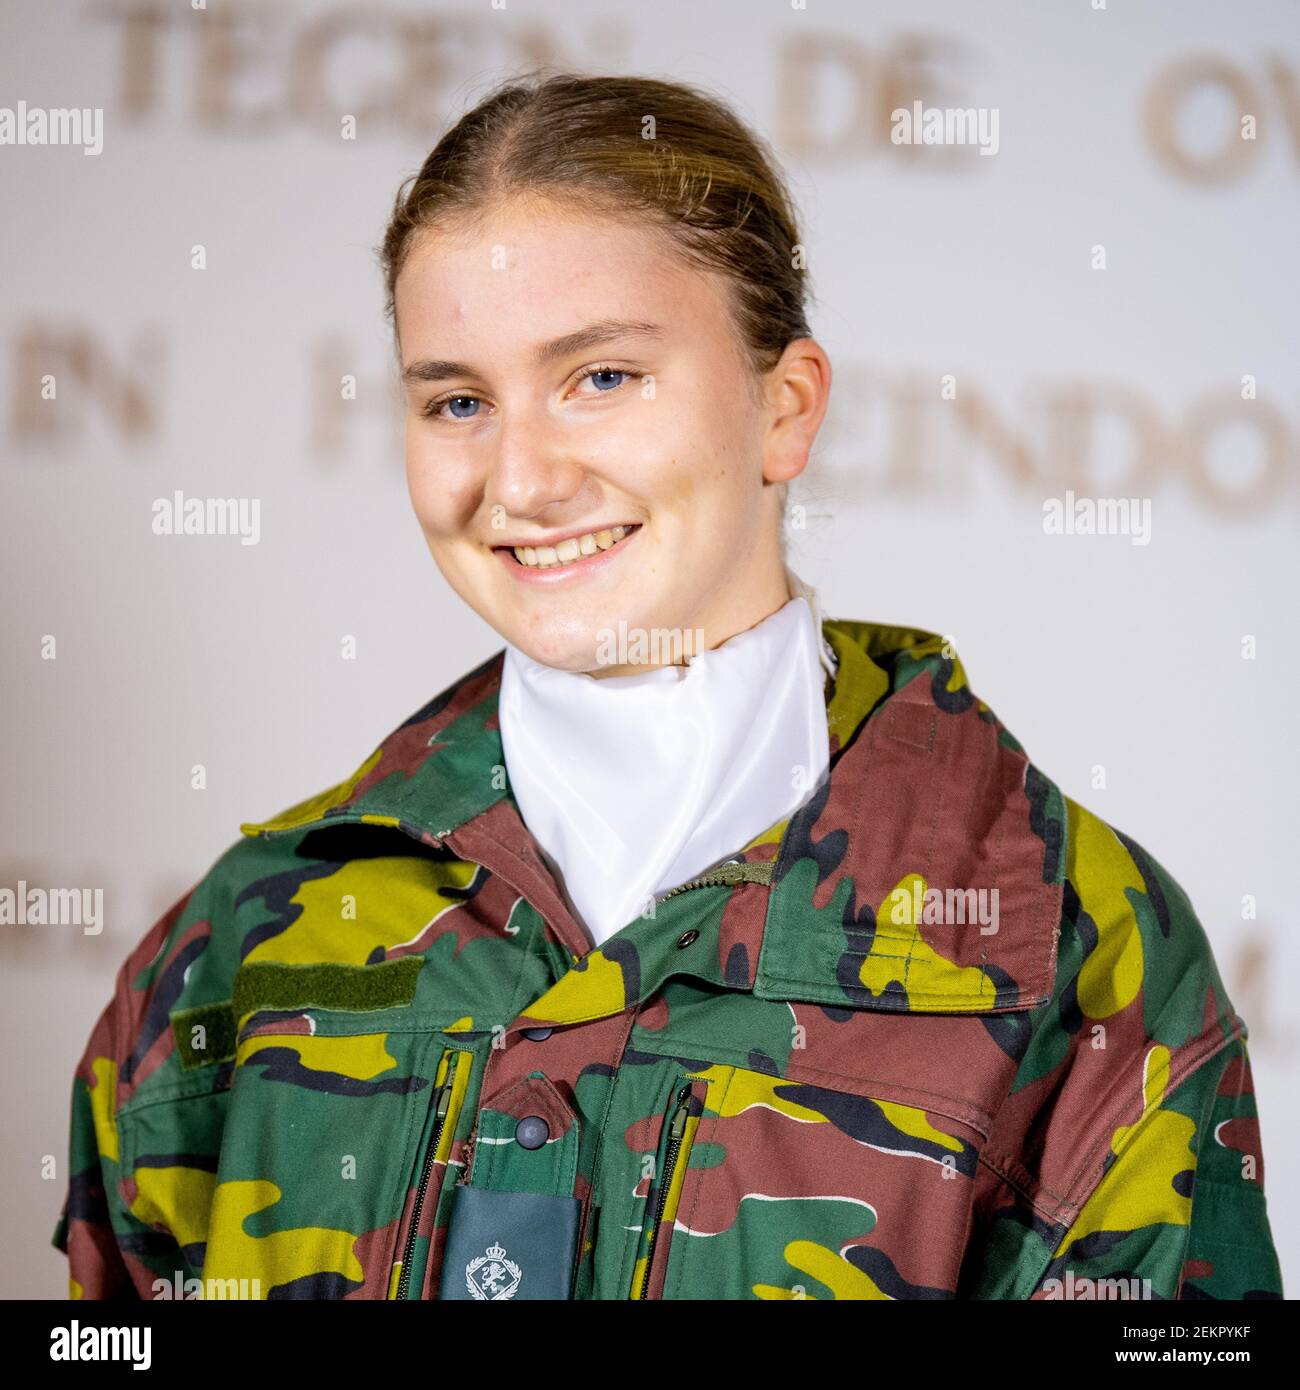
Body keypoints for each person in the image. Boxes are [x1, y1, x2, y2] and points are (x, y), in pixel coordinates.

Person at [53, 71, 1282, 1302]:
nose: (520, 481)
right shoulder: (242, 935)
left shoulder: (1079, 953)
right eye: (459, 400)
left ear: (785, 410)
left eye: (601, 377)